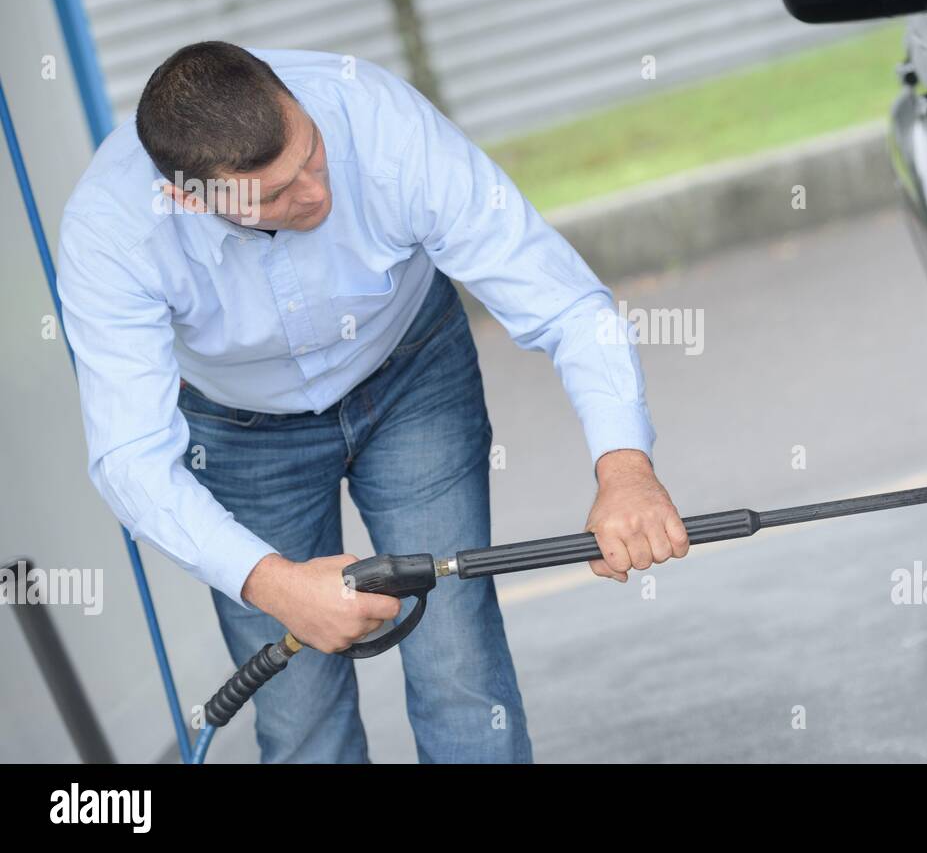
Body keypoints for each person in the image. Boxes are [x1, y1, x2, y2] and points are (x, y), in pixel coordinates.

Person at [56, 42, 688, 763]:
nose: (316, 195)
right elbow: (130, 460)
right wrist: (275, 585)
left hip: (412, 376)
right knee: (299, 712)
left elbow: (565, 303)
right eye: (273, 195)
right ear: (186, 195)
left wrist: (625, 468)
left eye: (312, 155)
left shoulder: (376, 117)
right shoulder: (111, 232)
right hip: (237, 431)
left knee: (458, 660)